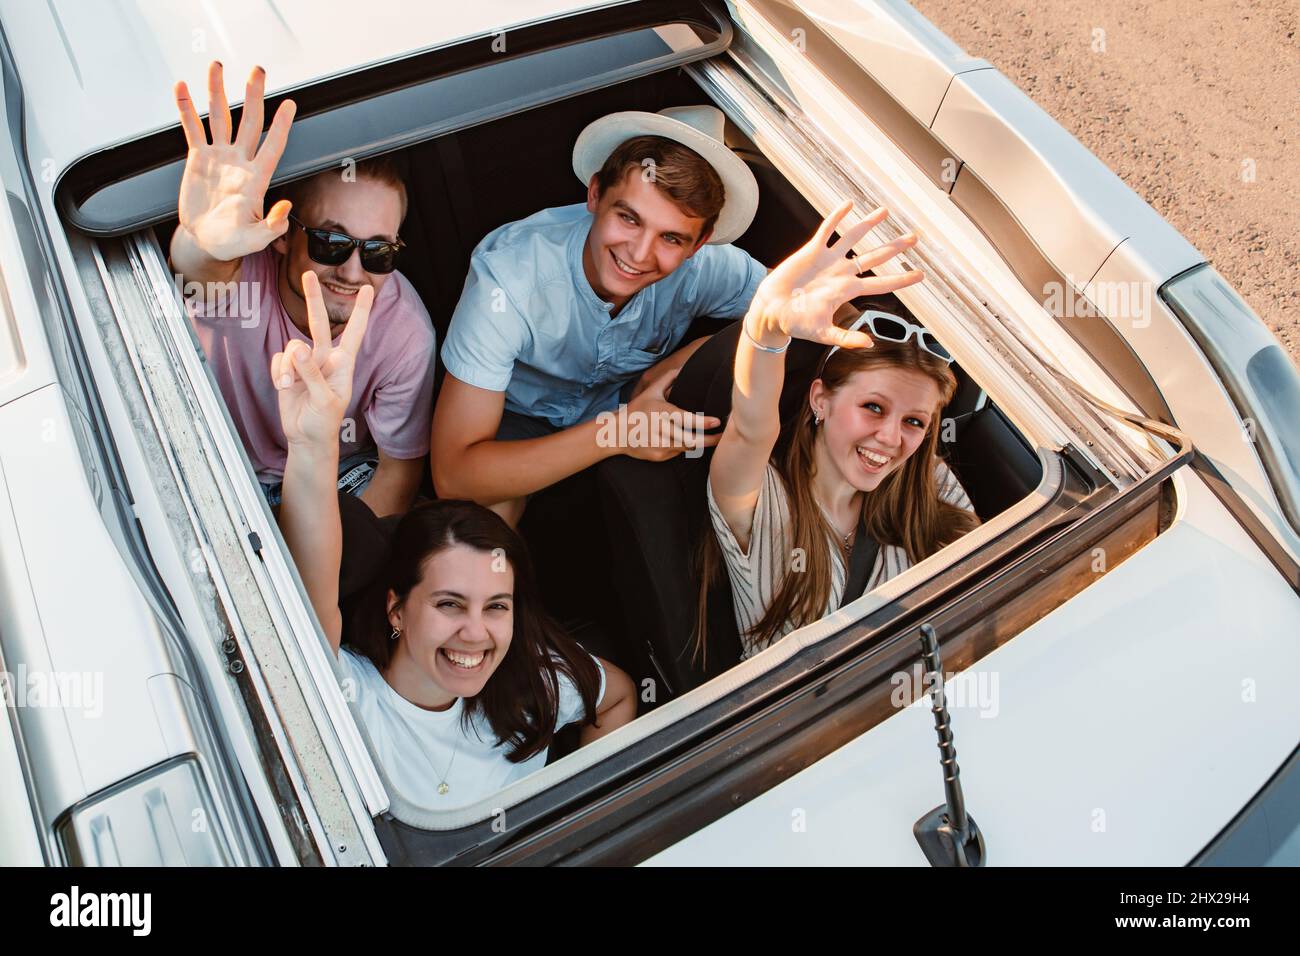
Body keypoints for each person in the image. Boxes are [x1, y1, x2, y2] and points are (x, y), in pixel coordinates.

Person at [272, 271, 636, 806]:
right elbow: (310, 600)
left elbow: (617, 697)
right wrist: (313, 443)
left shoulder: (530, 682)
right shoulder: (348, 695)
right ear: (396, 610)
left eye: (496, 607)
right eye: (449, 603)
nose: (475, 633)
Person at [432, 105, 771, 524]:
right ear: (594, 196)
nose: (639, 254)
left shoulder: (705, 267)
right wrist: (618, 432)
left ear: (698, 244)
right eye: (628, 218)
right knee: (478, 522)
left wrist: (710, 349)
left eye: (670, 237)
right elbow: (454, 475)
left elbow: (796, 304)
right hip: (516, 421)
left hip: (632, 408)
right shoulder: (509, 279)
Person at [704, 202, 980, 659]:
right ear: (820, 400)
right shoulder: (759, 501)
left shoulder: (929, 481)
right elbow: (751, 428)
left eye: (914, 421)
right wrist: (766, 328)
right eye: (873, 407)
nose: (891, 439)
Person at [172, 61, 434, 516]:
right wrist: (201, 241)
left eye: (378, 253)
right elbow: (199, 272)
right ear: (284, 236)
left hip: (336, 475)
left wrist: (330, 565)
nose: (353, 273)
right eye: (331, 242)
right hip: (226, 473)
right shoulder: (240, 275)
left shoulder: (406, 332)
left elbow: (398, 471)